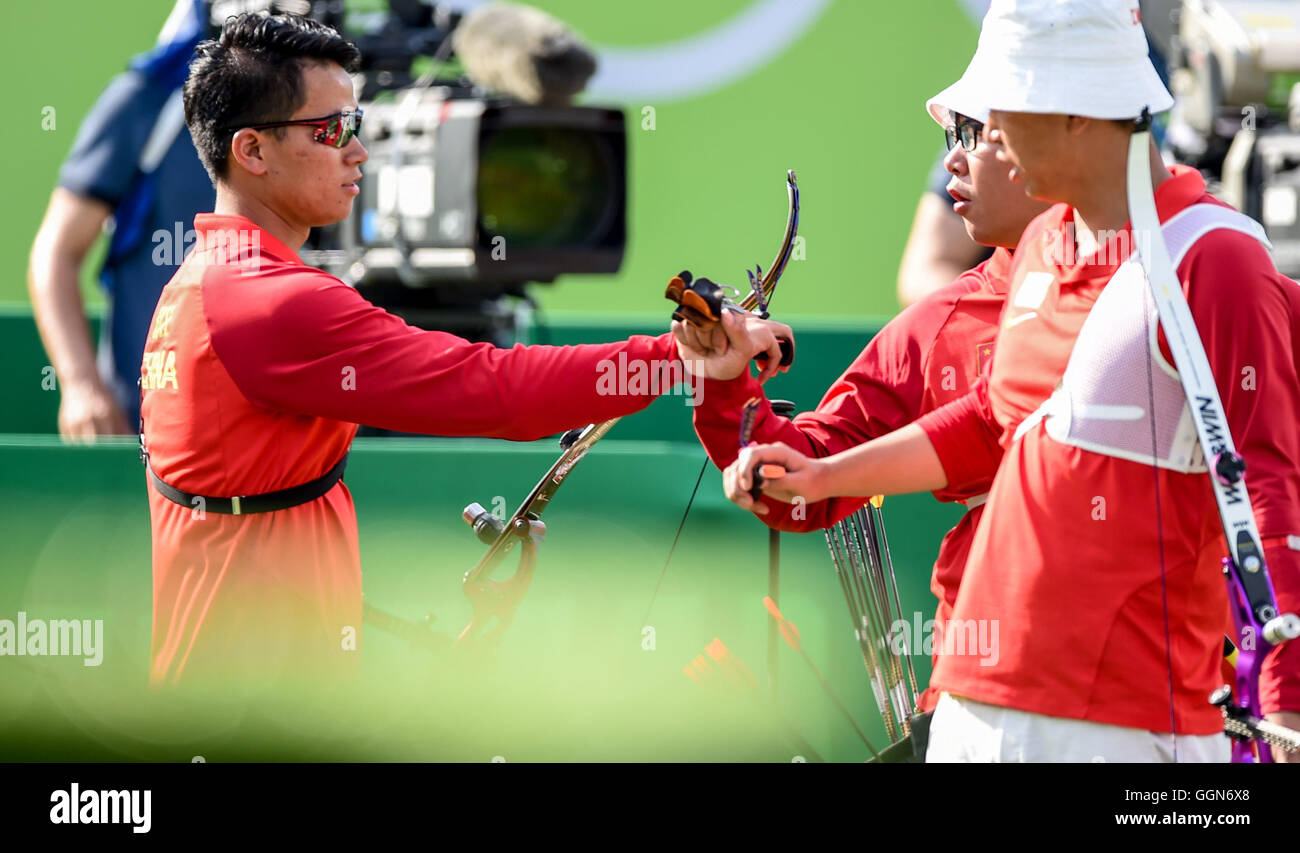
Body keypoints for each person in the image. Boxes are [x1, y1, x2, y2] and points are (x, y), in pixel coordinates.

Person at [724, 0, 1300, 762]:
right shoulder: (1039, 244)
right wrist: (827, 472)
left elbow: (1267, 485)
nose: (984, 137)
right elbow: (991, 422)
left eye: (1003, 113)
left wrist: (1285, 703)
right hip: (972, 705)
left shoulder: (1216, 259)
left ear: (1076, 113)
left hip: (1126, 725)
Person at [141, 11, 790, 688]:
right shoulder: (267, 302)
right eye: (332, 130)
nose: (358, 151)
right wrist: (677, 355)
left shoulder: (200, 284)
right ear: (252, 151)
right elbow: (492, 387)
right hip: (250, 706)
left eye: (356, 125)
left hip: (239, 687)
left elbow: (259, 526)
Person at [674, 94, 1048, 714]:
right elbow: (802, 474)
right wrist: (724, 382)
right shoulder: (942, 319)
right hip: (987, 694)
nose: (951, 158)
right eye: (951, 133)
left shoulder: (1193, 271)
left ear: (1063, 134)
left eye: (977, 132)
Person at [28, 0, 216, 440]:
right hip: (152, 432)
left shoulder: (338, 109)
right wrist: (79, 386)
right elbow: (56, 251)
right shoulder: (150, 98)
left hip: (299, 441)